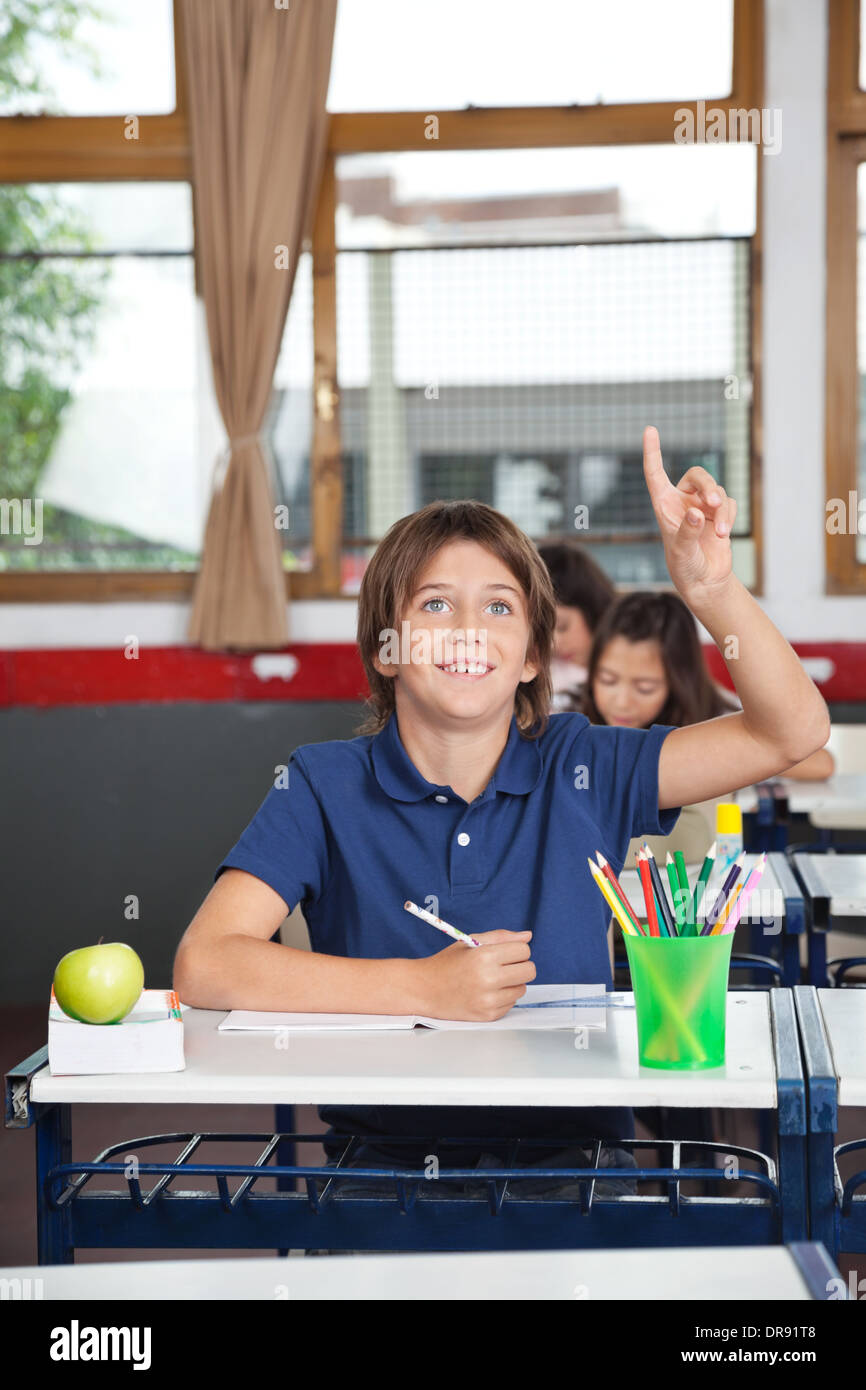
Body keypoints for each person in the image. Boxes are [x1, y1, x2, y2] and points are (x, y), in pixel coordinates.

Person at [173, 427, 831, 1237]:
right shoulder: (323, 782)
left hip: (578, 1162)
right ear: (388, 646)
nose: (466, 629)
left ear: (531, 658)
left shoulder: (583, 762)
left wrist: (713, 588)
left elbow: (791, 733)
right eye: (435, 604)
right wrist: (421, 990)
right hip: (380, 1168)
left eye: (499, 607)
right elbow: (206, 962)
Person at [535, 540, 616, 708]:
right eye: (541, 632)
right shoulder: (542, 676)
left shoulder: (635, 658)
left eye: (563, 627)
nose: (553, 644)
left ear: (593, 609)